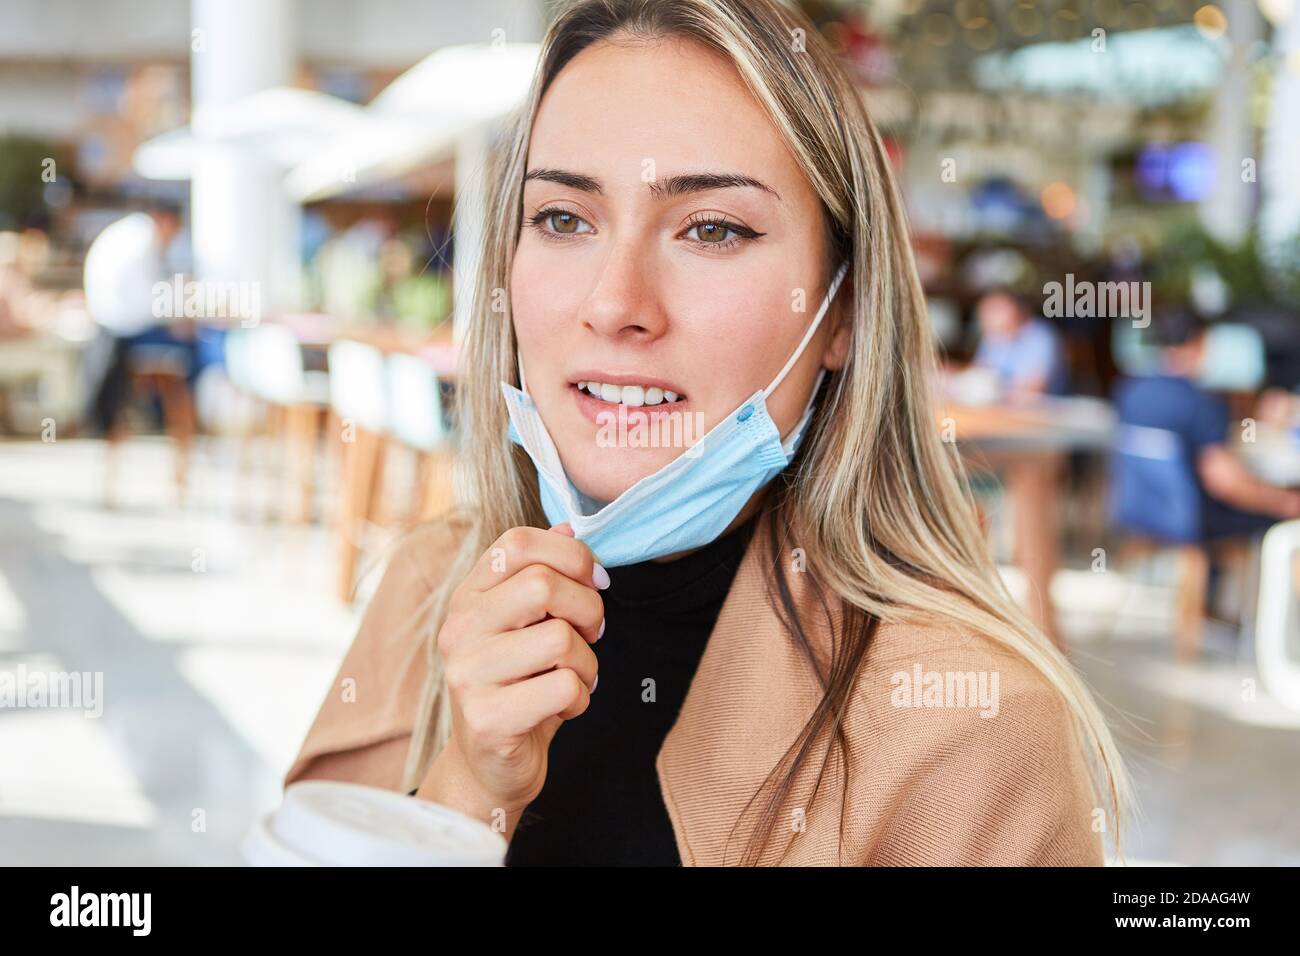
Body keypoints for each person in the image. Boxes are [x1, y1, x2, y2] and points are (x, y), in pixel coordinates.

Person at [283, 0, 1128, 866]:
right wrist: (463, 794)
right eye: (565, 219)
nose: (614, 304)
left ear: (842, 310)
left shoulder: (970, 727)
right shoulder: (432, 585)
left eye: (712, 229)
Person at [1113, 310, 1300, 538]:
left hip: (1136, 510)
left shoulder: (1129, 390)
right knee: (1281, 518)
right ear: (1199, 341)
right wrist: (1283, 503)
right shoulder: (1201, 403)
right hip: (1185, 517)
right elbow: (1224, 482)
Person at [82, 199, 192, 437]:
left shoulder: (130, 232)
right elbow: (150, 302)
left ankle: (164, 419)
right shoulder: (143, 240)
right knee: (196, 350)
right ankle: (178, 425)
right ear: (166, 220)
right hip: (127, 328)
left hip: (111, 325)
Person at [972, 287, 1069, 398]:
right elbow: (979, 373)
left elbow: (1035, 388)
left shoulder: (1041, 336)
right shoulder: (993, 336)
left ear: (1016, 308)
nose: (986, 317)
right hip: (1001, 406)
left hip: (1042, 409)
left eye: (994, 310)